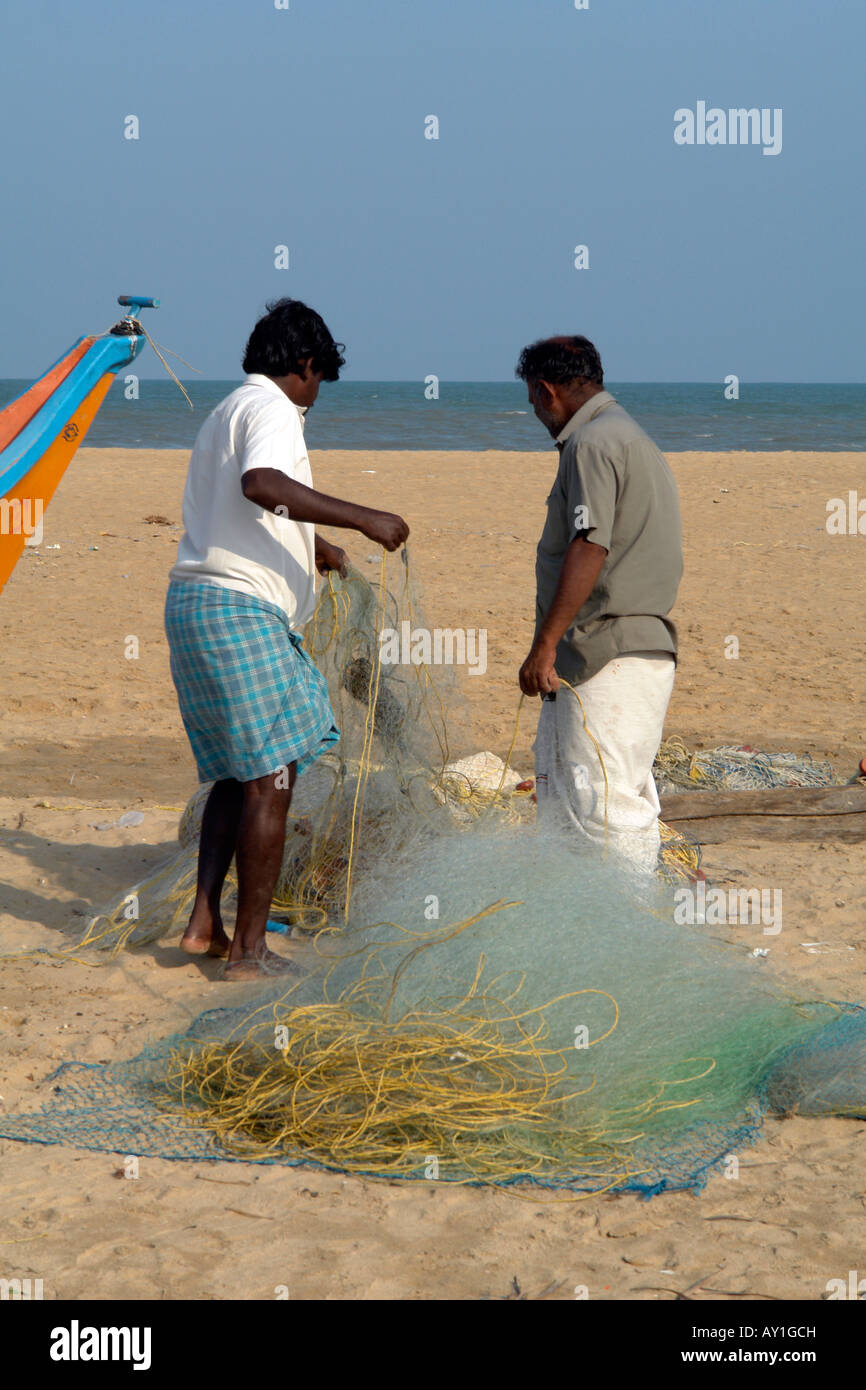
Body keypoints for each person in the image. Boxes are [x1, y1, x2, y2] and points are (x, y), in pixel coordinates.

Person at [165, 298, 409, 976]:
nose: (314, 398)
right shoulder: (274, 408)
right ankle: (249, 952)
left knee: (237, 770)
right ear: (304, 365)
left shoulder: (226, 411)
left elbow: (250, 506)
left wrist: (316, 545)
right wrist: (362, 518)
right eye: (318, 382)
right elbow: (262, 484)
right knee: (274, 776)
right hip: (240, 612)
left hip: (193, 603)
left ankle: (203, 922)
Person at [516, 335, 682, 873]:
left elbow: (590, 544)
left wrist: (543, 647)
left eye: (531, 398)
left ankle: (629, 943)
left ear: (546, 391)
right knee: (572, 799)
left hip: (608, 653)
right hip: (627, 651)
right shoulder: (628, 436)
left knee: (606, 808)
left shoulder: (592, 443)